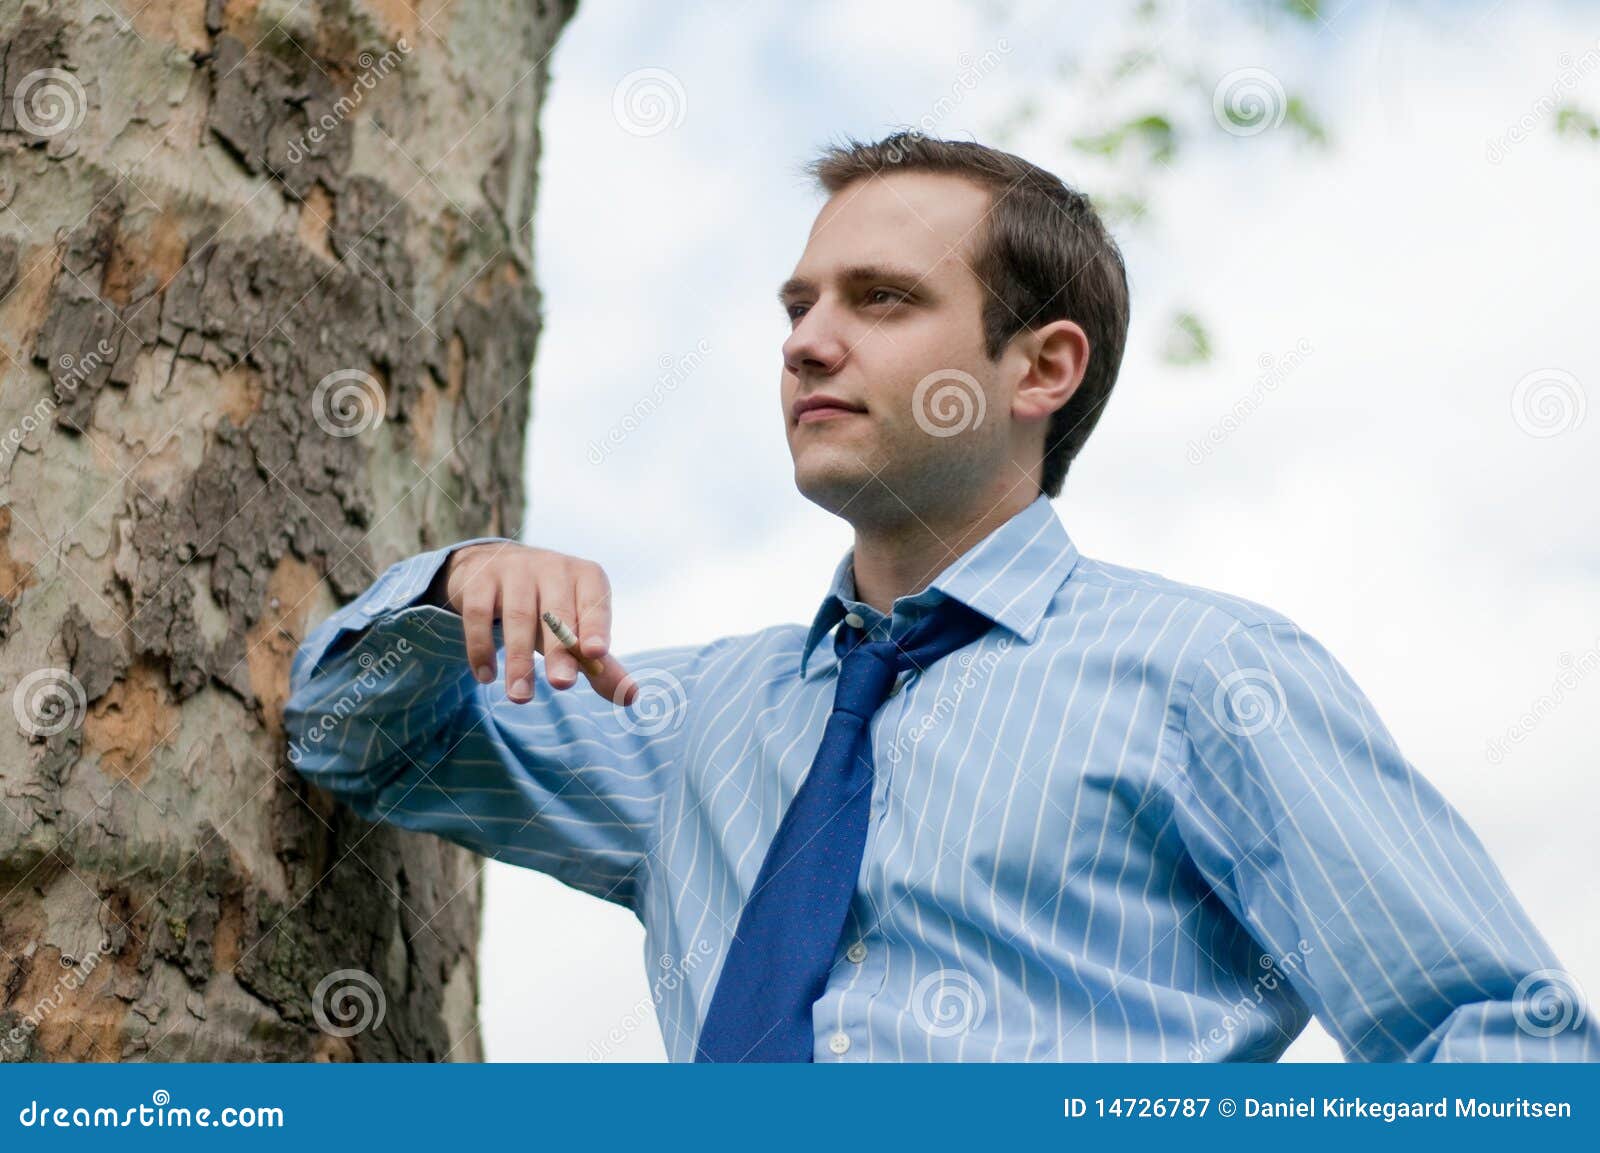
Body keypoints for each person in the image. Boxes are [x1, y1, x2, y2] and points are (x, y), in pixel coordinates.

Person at [285, 132, 1594, 1062]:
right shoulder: (688, 719)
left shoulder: (1210, 674)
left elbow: (1502, 1047)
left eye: (883, 299)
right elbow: (358, 739)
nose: (806, 338)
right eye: (799, 303)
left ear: (1040, 369)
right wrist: (451, 589)